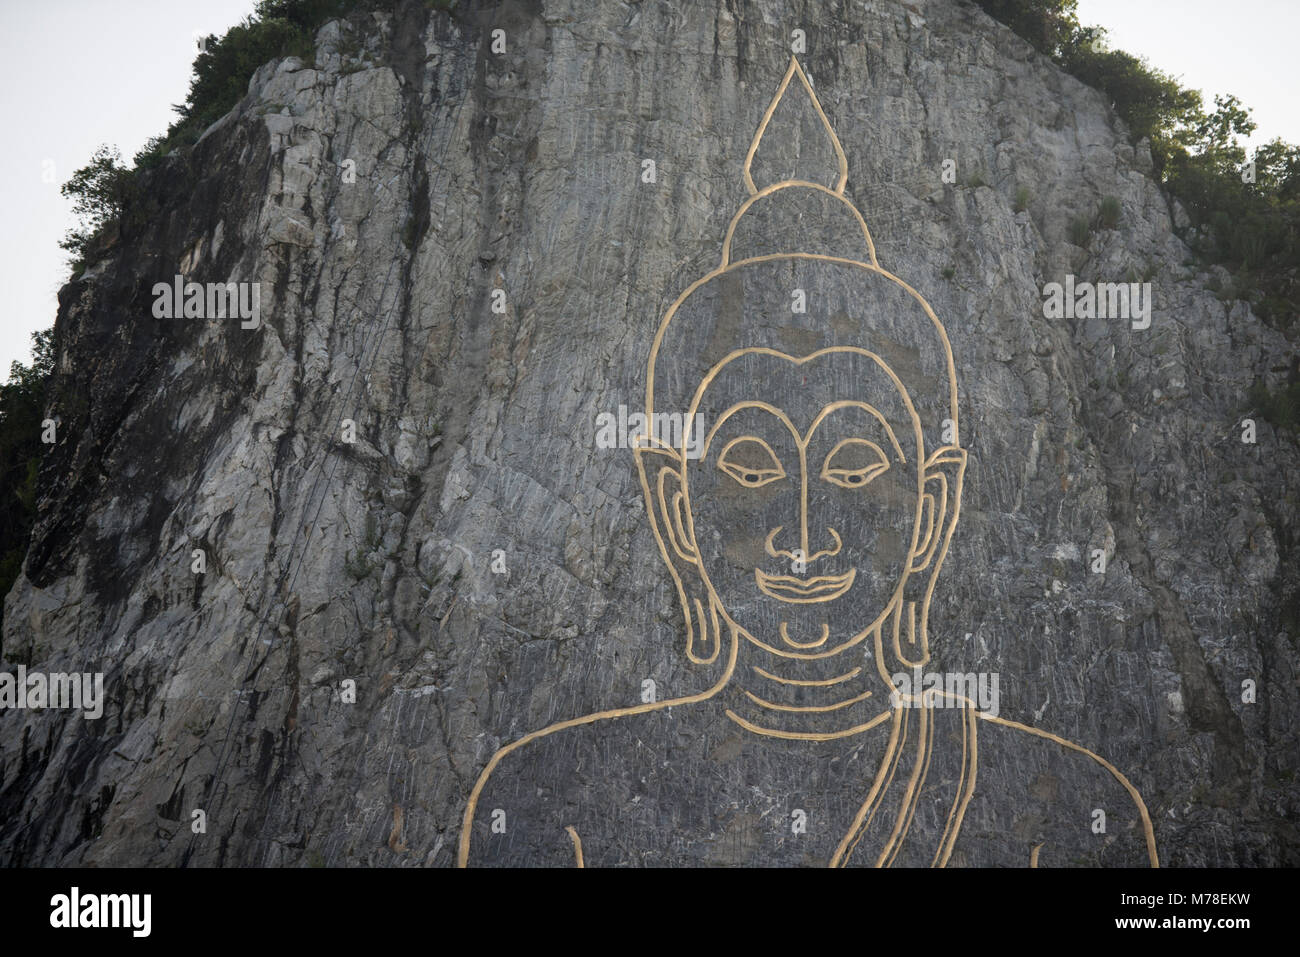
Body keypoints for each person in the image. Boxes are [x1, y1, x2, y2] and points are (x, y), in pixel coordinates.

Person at [458, 57, 1158, 868]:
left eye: (853, 468)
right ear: (675, 506)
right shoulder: (553, 797)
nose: (802, 536)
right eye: (751, 469)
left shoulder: (1066, 808)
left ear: (934, 508)